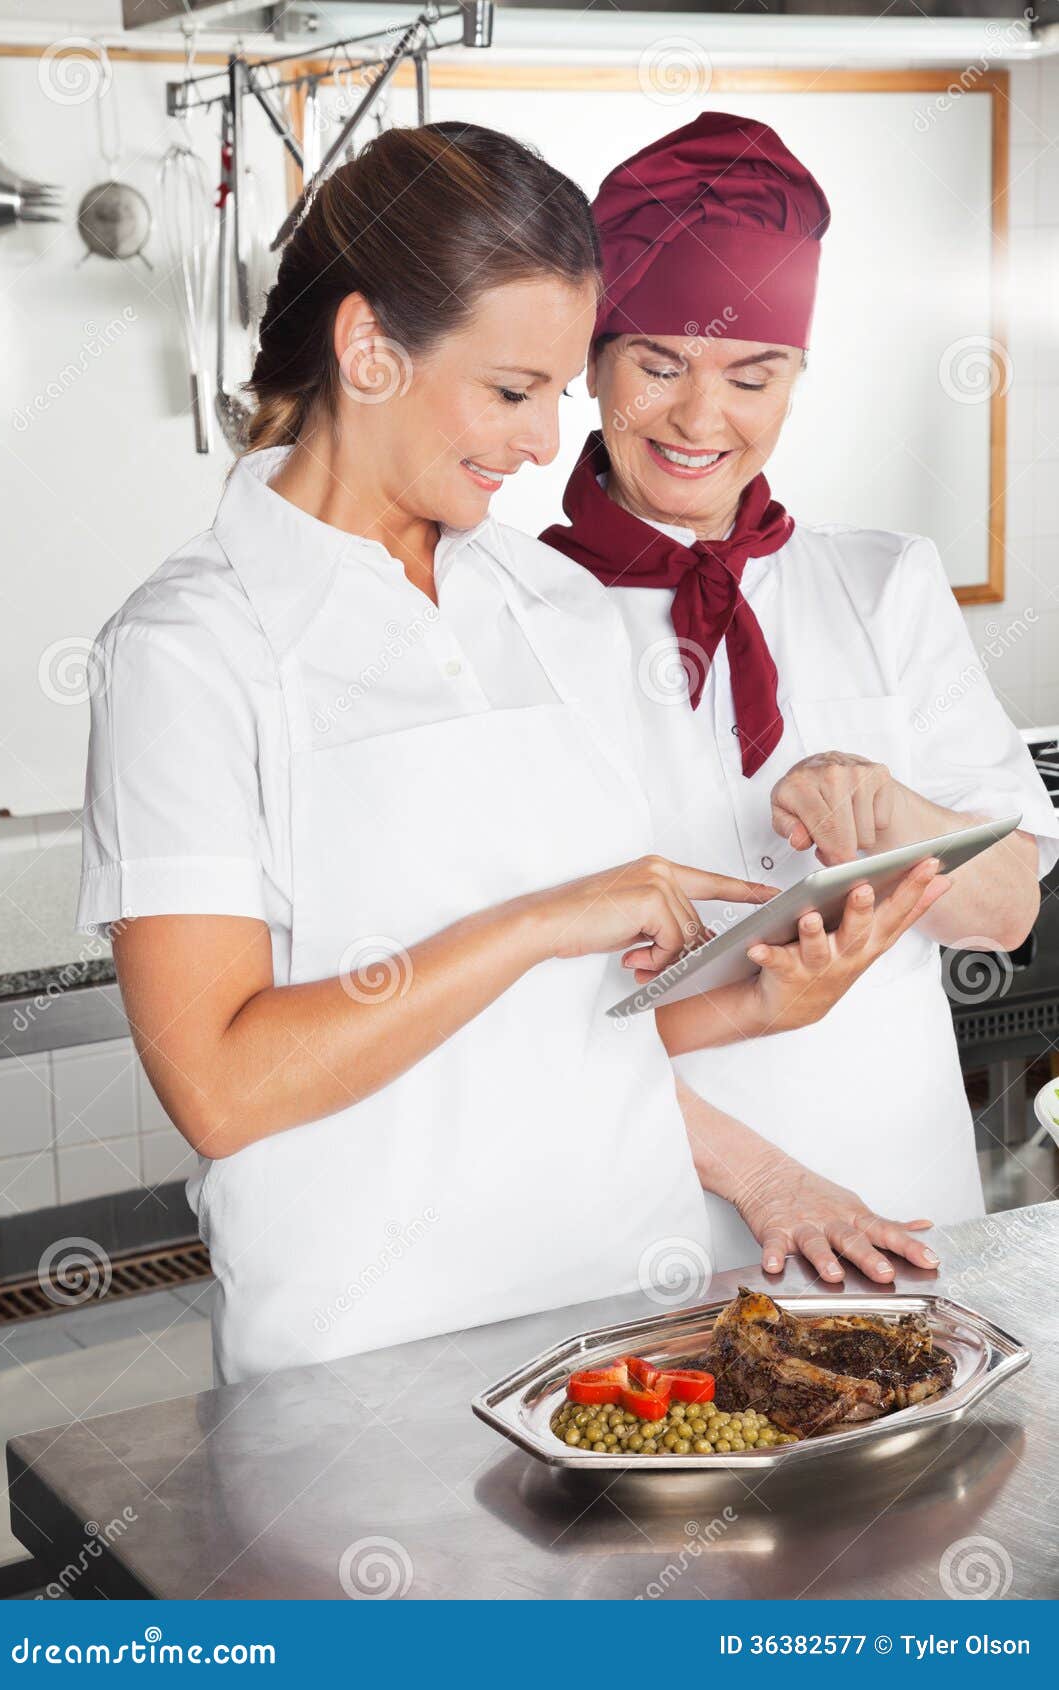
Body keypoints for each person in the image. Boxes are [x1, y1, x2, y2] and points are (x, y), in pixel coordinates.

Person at [76, 123, 945, 1387]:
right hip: (365, 1365)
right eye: (510, 389)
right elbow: (220, 1085)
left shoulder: (546, 605)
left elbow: (566, 1030)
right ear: (367, 348)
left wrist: (755, 1004)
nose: (548, 445)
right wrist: (540, 919)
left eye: (556, 390)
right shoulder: (191, 648)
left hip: (630, 1326)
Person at [542, 110, 1059, 1277]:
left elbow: (1001, 912)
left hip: (901, 1205)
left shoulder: (884, 583)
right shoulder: (503, 615)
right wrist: (760, 1176)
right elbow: (503, 1025)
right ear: (590, 359)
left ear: (796, 378)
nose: (697, 417)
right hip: (637, 1218)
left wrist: (887, 812)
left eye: (750, 373)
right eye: (657, 363)